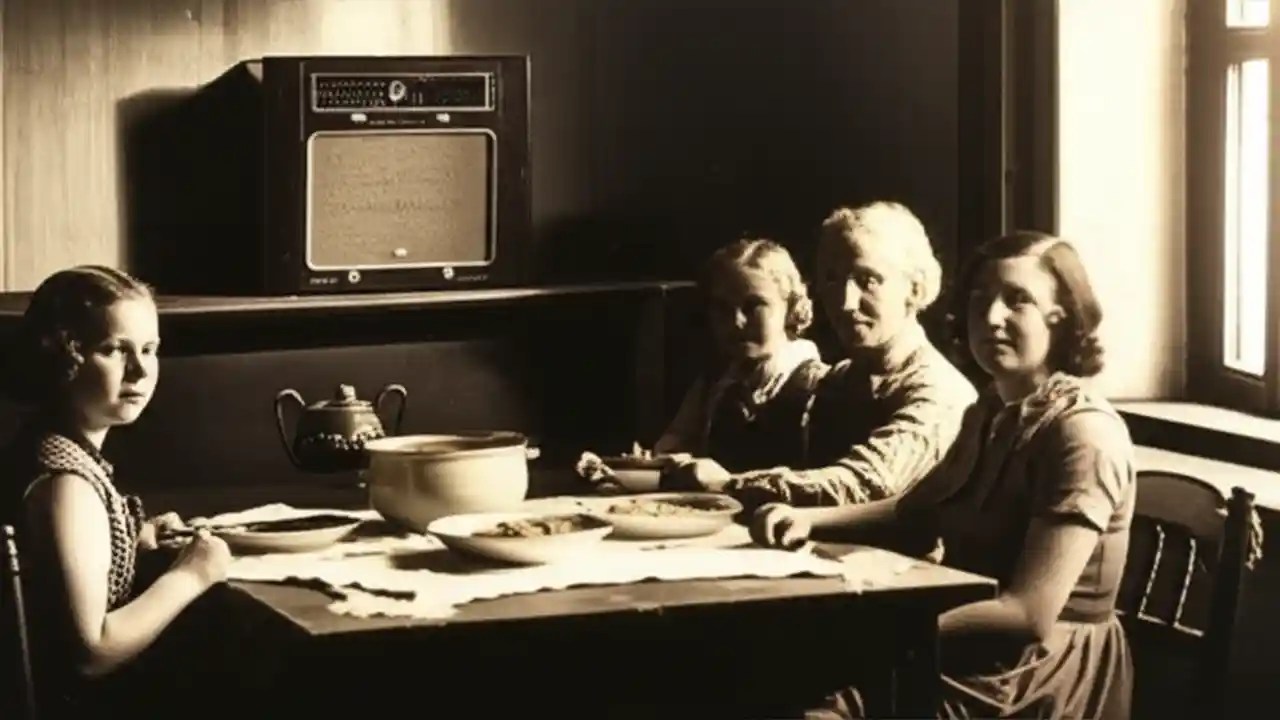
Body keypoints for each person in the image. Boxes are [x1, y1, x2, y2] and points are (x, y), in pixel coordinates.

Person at [753, 231, 1135, 719]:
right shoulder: (991, 410)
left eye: (1018, 301)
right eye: (980, 302)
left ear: (1060, 317)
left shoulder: (1082, 434)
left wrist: (884, 632)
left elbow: (1028, 616)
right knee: (776, 678)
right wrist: (810, 519)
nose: (991, 318)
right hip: (970, 644)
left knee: (817, 703)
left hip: (1033, 676)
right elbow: (916, 513)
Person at [0, 265, 231, 715]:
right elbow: (91, 652)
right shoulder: (66, 483)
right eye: (114, 350)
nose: (140, 370)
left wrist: (134, 542)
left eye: (149, 349)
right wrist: (193, 576)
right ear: (64, 358)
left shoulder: (50, 448)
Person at [667, 202, 976, 510]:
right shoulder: (839, 378)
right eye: (831, 279)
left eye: (868, 280)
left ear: (915, 288)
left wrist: (728, 484)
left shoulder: (939, 392)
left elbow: (862, 485)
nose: (844, 302)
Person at [653, 237, 828, 473]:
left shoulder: (817, 384)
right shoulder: (714, 385)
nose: (736, 322)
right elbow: (673, 445)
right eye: (723, 309)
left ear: (791, 308)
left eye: (753, 306)